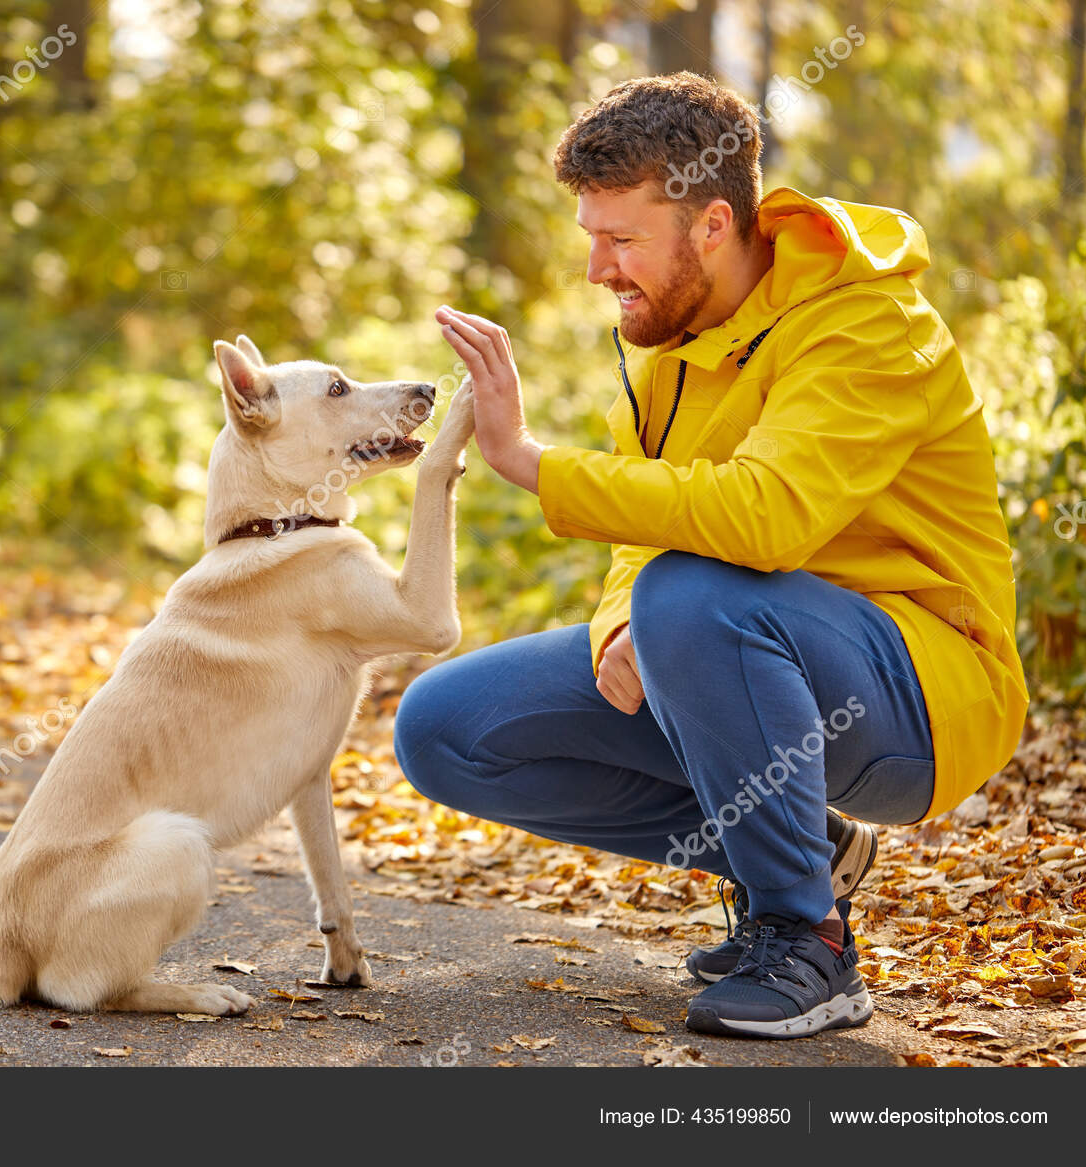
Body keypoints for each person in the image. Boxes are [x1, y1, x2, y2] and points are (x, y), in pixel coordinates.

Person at [393, 72, 1028, 1039]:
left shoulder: (866, 326)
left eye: (621, 239)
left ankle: (806, 938)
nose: (597, 268)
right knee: (444, 727)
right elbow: (644, 539)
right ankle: (800, 849)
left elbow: (769, 518)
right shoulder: (667, 352)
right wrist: (620, 627)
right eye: (590, 236)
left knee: (693, 595)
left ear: (713, 225)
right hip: (741, 663)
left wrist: (529, 463)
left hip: (921, 691)